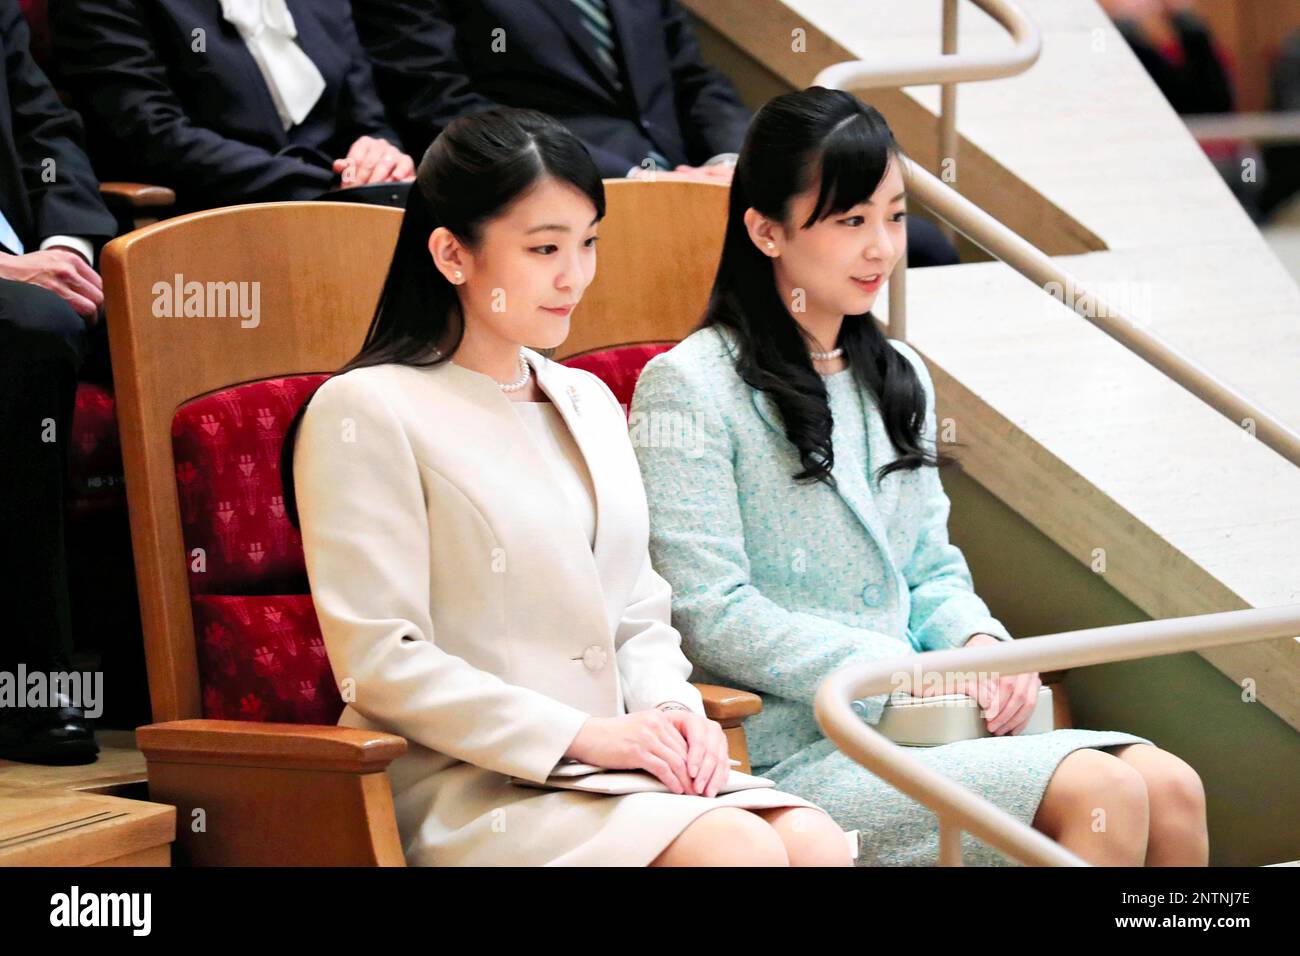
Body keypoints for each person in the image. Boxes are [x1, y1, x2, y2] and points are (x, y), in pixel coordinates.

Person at [630, 87, 1210, 866]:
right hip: (803, 745)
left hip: (932, 722)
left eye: (895, 217)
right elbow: (712, 612)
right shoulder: (691, 386)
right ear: (767, 231)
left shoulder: (897, 373)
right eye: (851, 221)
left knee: (1172, 787)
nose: (882, 248)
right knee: (1102, 792)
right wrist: (894, 675)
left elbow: (931, 569)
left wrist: (980, 647)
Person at [283, 106, 852, 866]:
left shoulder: (586, 400)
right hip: (471, 785)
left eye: (587, 243)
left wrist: (676, 716)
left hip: (614, 768)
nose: (573, 275)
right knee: (734, 849)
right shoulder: (364, 409)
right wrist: (585, 736)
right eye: (544, 247)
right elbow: (382, 660)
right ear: (452, 255)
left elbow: (638, 613)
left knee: (809, 839)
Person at [352, 0, 959, 266]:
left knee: (923, 247)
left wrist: (732, 160)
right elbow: (443, 106)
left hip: (704, 183)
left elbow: (693, 78)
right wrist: (643, 179)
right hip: (573, 195)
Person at [0, 0, 116, 764]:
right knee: (33, 332)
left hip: (32, 263)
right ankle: (31, 679)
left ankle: (180, 686)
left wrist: (67, 246)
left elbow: (50, 133)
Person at [50, 0, 414, 212]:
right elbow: (150, 133)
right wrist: (325, 185)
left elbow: (366, 118)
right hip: (214, 216)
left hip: (348, 204)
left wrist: (380, 157)